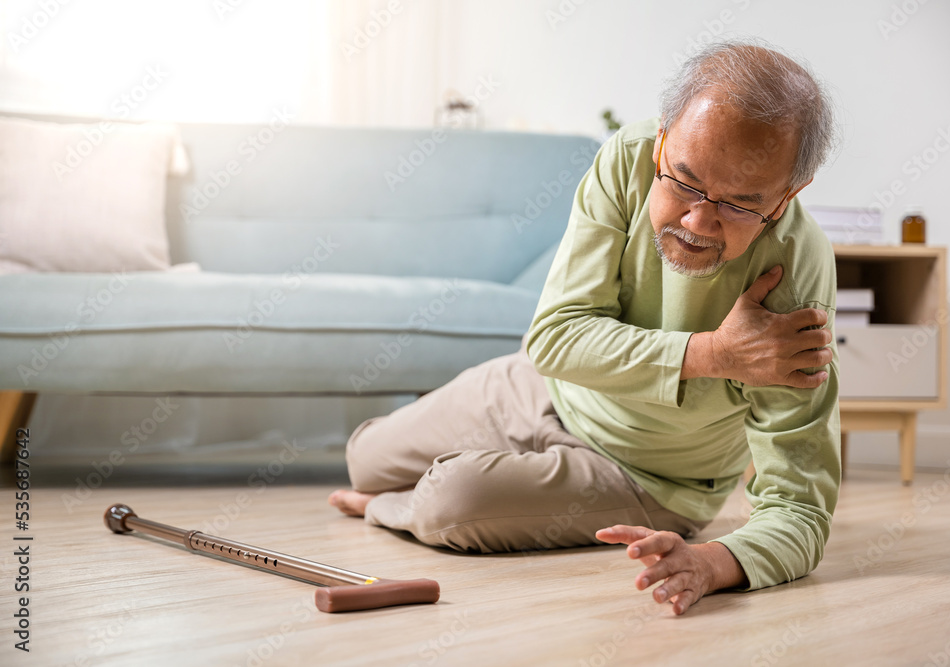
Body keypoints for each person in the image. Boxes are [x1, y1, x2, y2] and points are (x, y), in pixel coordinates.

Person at [329, 38, 840, 616]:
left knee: (453, 500)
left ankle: (383, 507)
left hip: (648, 477)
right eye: (684, 181)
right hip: (543, 388)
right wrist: (712, 354)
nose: (698, 220)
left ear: (787, 196)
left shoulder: (796, 284)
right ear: (664, 142)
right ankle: (390, 492)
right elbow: (552, 339)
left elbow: (799, 507)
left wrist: (715, 561)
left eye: (739, 205)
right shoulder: (629, 157)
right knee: (364, 457)